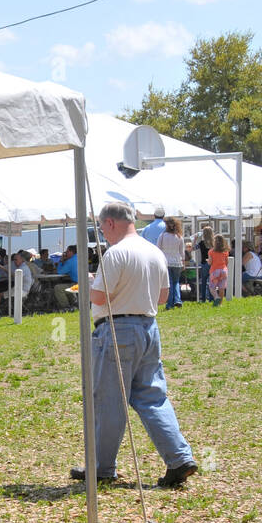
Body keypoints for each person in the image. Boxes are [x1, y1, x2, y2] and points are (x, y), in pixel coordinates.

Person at [70, 203, 197, 488]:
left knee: (109, 401)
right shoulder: (154, 252)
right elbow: (164, 296)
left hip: (117, 330)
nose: (103, 233)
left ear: (111, 223)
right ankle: (179, 457)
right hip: (149, 328)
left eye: (102, 227)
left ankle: (102, 468)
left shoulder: (115, 254)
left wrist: (90, 283)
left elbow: (99, 298)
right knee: (153, 397)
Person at [157, 216, 185, 309]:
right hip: (177, 261)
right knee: (176, 282)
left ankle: (169, 304)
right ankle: (177, 299)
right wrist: (183, 262)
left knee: (170, 283)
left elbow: (158, 249)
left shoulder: (162, 235)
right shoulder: (179, 236)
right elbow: (182, 251)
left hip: (166, 262)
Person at [53, 244, 79, 310]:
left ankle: (66, 307)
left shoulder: (70, 261)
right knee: (69, 286)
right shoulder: (80, 258)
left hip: (78, 285)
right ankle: (74, 304)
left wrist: (61, 261)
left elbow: (59, 272)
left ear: (71, 252)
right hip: (86, 284)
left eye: (67, 252)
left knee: (58, 288)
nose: (66, 253)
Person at [208, 234, 229, 306]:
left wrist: (208, 261)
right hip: (223, 271)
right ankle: (220, 304)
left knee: (212, 287)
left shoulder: (211, 251)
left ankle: (216, 297)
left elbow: (210, 262)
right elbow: (227, 262)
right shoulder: (225, 251)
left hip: (215, 271)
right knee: (221, 288)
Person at [195, 226, 213, 302]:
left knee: (204, 282)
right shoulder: (214, 243)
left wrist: (195, 239)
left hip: (204, 263)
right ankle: (212, 297)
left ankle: (203, 298)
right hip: (213, 263)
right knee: (213, 282)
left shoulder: (201, 243)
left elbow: (194, 248)